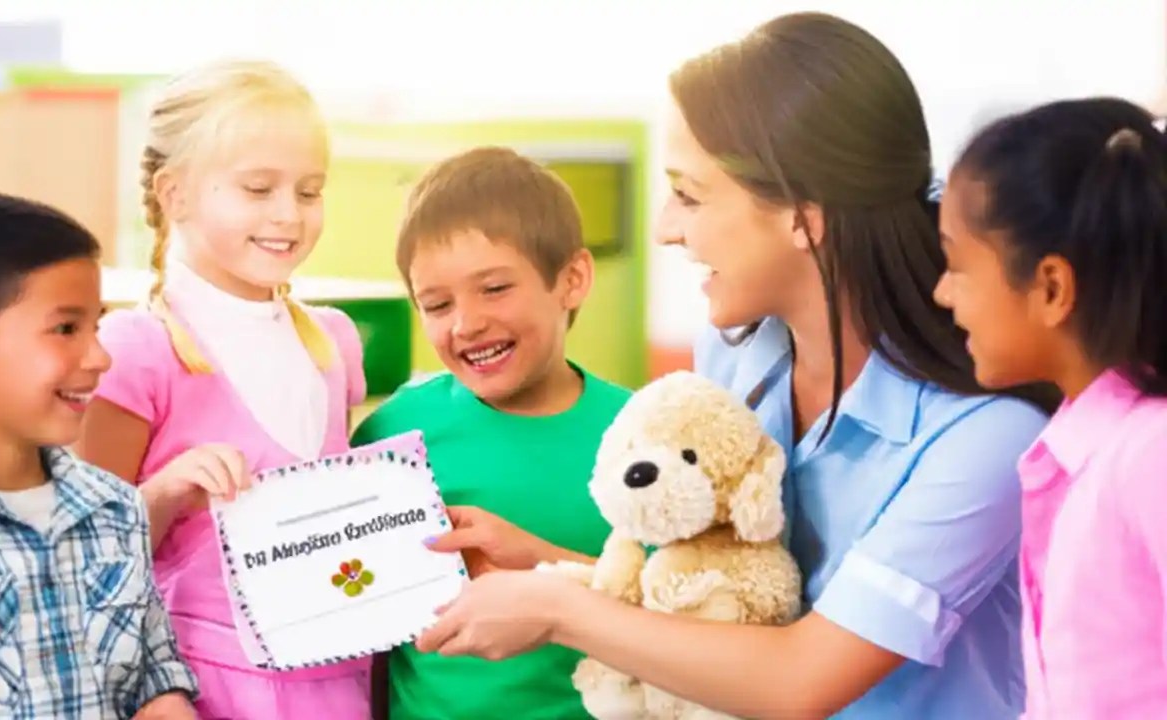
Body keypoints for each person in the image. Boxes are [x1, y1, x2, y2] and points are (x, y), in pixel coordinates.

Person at [411, 12, 1059, 719]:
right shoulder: (737, 353)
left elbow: (802, 677)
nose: (666, 227)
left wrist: (558, 611)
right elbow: (731, 611)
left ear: (802, 217)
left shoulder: (985, 439)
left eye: (689, 195)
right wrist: (547, 566)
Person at [75, 60, 370, 719]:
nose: (288, 215)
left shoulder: (333, 342)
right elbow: (83, 561)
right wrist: (166, 492)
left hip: (335, 678)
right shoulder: (137, 349)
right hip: (198, 691)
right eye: (258, 188)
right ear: (175, 194)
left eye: (310, 190)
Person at [0, 191, 198, 718]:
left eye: (95, 326)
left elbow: (154, 680)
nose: (100, 356)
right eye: (66, 329)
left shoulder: (116, 509)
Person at [351, 146, 631, 719]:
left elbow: (678, 617)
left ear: (572, 279)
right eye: (436, 303)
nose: (466, 323)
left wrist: (544, 563)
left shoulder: (643, 437)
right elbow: (367, 640)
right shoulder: (394, 435)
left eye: (495, 288)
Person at [933, 97, 1167, 718]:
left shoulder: (1149, 454)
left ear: (1052, 287)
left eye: (957, 265)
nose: (942, 292)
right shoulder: (1078, 448)